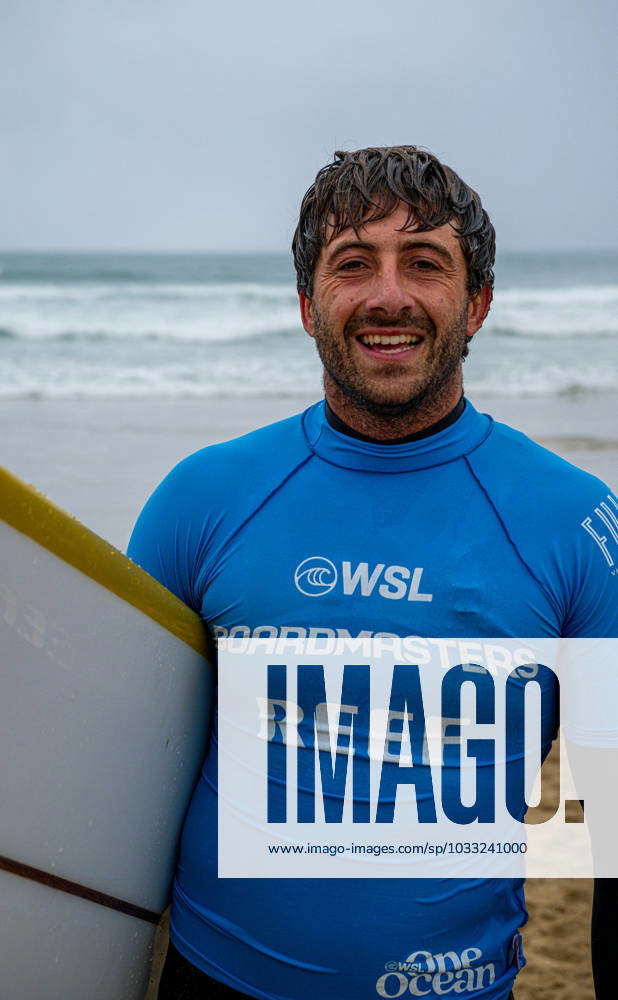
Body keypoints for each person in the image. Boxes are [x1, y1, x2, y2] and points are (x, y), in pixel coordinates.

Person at [128, 146, 617, 1000]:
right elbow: (122, 768)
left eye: (424, 263)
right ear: (308, 304)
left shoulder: (574, 522)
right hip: (211, 979)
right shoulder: (201, 499)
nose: (389, 295)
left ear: (478, 303)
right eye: (354, 263)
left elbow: (610, 815)